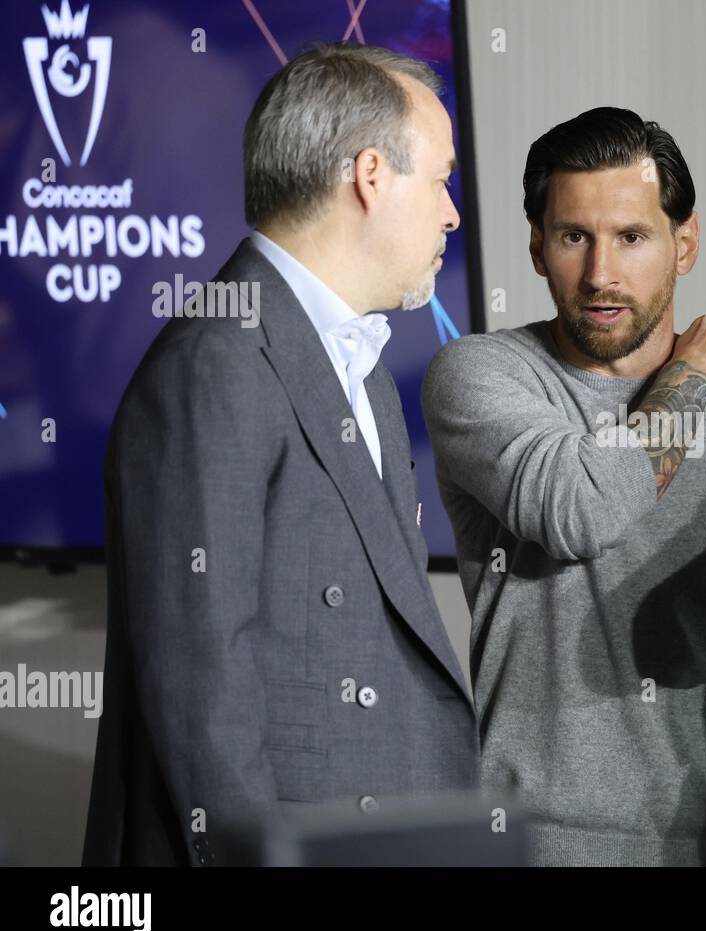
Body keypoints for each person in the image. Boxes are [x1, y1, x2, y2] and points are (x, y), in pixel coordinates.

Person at [83, 43, 477, 866]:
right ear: (371, 176)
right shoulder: (214, 364)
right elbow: (201, 691)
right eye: (441, 180)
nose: (452, 214)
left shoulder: (356, 365)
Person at [423, 107, 706, 865]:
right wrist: (693, 378)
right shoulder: (482, 377)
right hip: (539, 845)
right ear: (535, 247)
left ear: (685, 245)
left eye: (631, 237)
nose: (600, 275)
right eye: (572, 237)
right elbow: (582, 508)